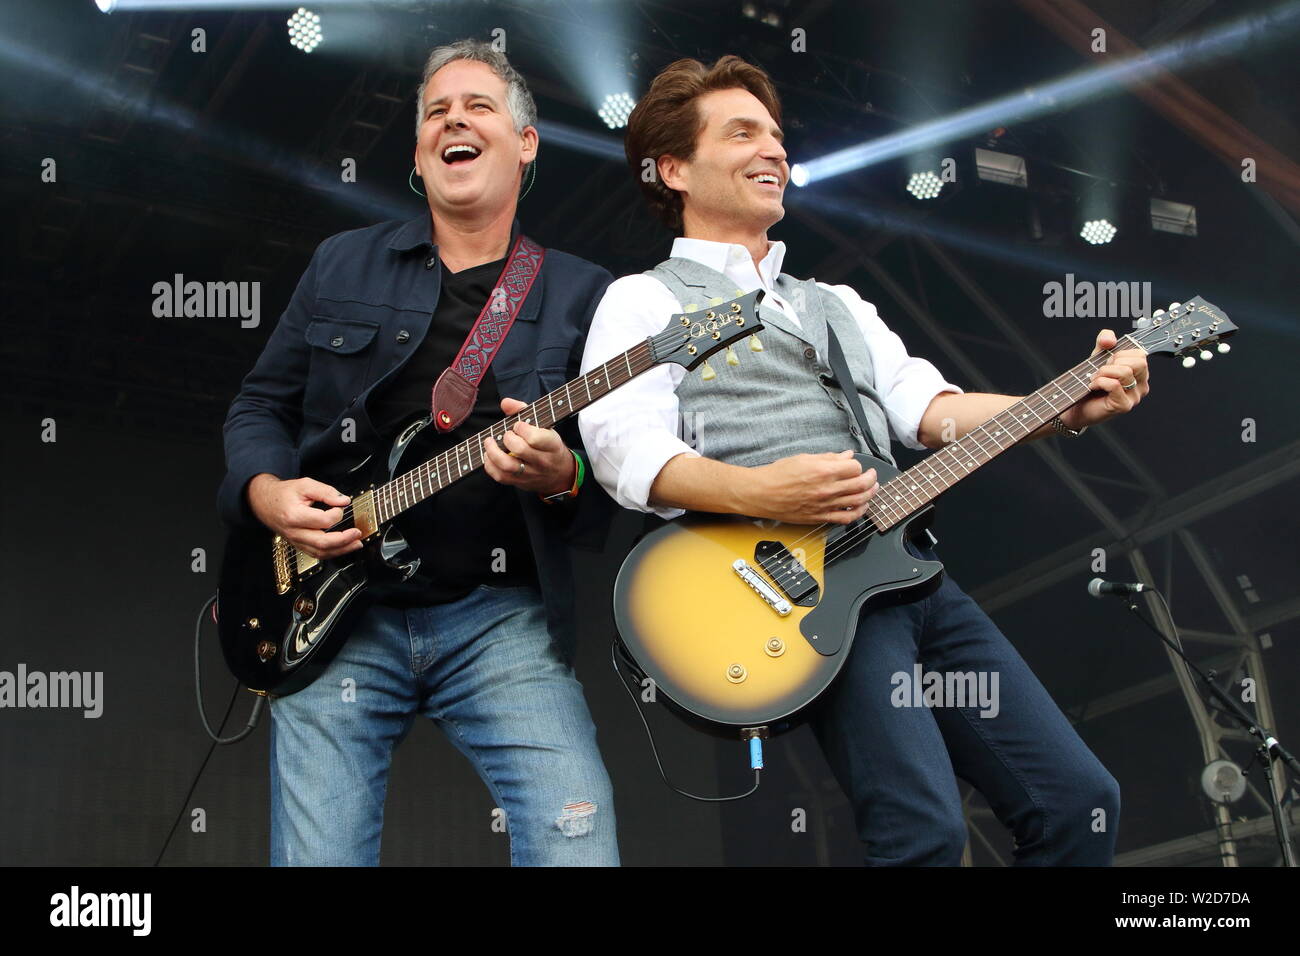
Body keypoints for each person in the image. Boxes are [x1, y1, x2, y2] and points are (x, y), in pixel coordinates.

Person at [580, 55, 1149, 865]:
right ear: (672, 168)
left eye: (776, 134)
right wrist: (760, 487)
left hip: (908, 571)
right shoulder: (643, 299)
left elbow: (931, 412)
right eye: (741, 133)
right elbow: (621, 447)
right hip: (792, 588)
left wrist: (1066, 403)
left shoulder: (837, 303)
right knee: (924, 832)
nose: (772, 149)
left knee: (1078, 801)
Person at [217, 39, 618, 866]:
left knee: (576, 837)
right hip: (337, 614)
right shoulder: (344, 261)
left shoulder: (587, 294)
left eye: (477, 107)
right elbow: (260, 404)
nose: (453, 122)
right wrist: (265, 494)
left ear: (526, 141)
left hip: (499, 616)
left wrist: (563, 475)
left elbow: (615, 478)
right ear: (417, 153)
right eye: (436, 111)